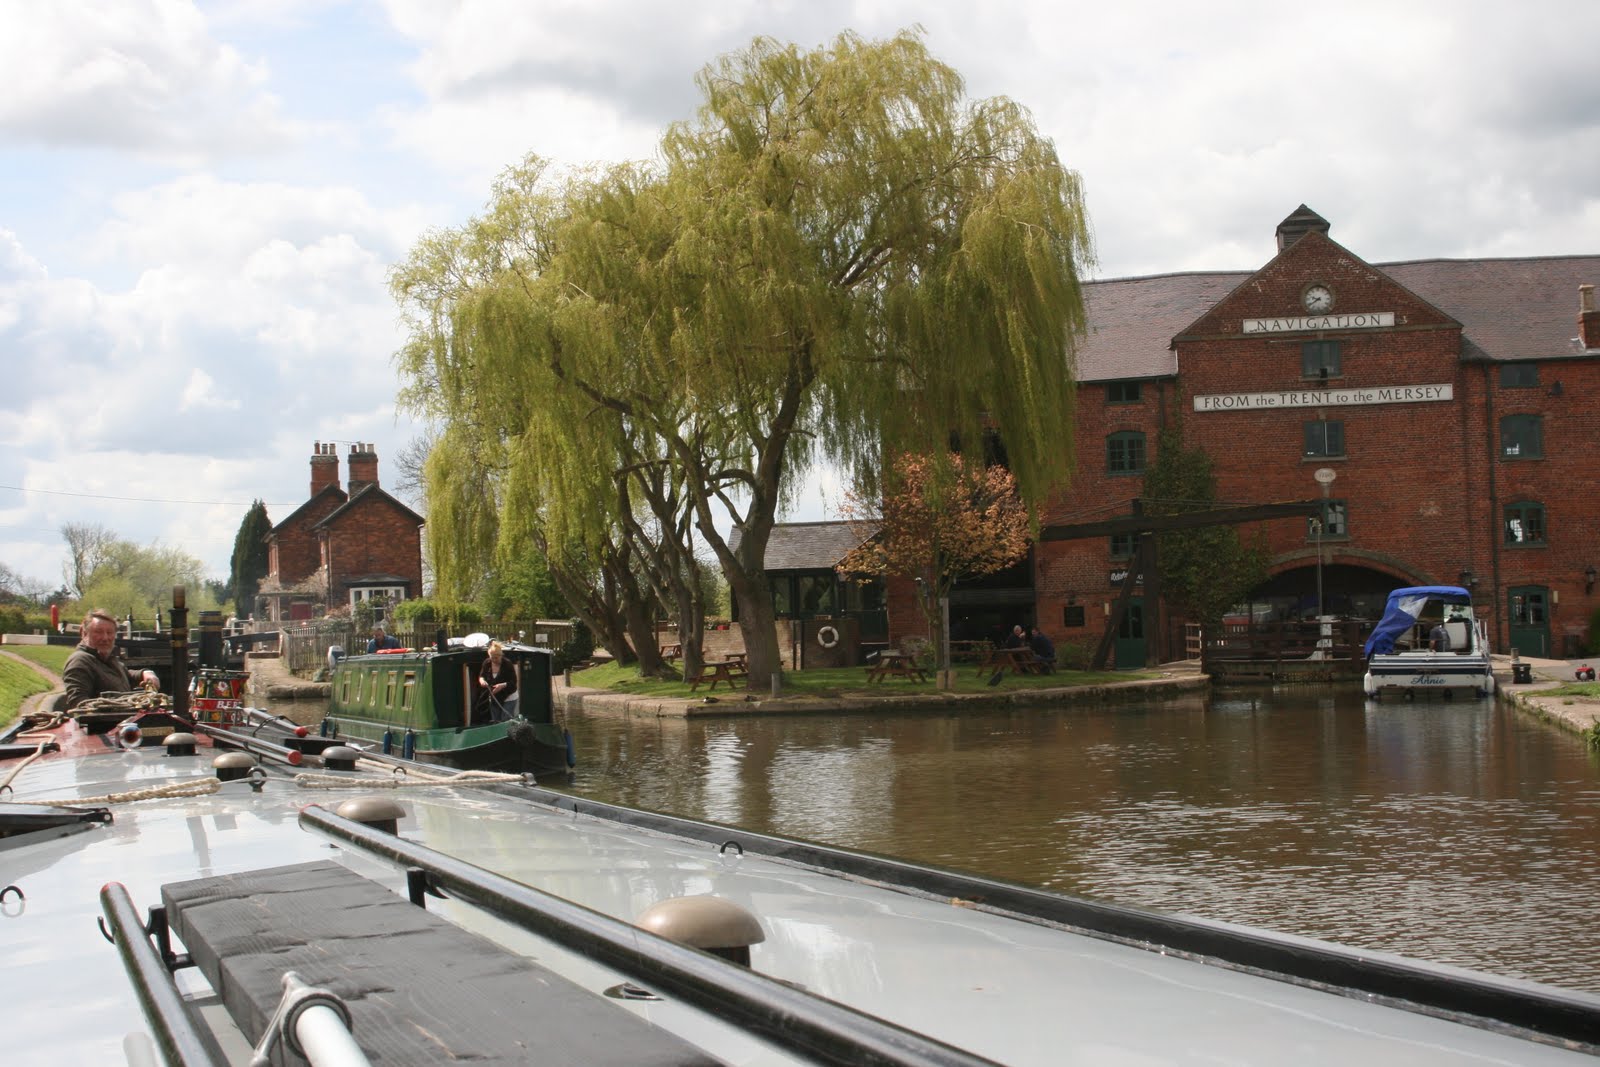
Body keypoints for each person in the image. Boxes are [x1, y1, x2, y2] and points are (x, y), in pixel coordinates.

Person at [63, 609, 158, 710]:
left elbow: (125, 675)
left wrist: (145, 673)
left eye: (109, 632)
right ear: (84, 633)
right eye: (98, 632)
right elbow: (78, 704)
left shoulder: (106, 658)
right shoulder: (80, 662)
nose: (105, 638)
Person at [476, 641, 517, 721]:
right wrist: (482, 681)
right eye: (492, 658)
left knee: (505, 719)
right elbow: (481, 676)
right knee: (495, 720)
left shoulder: (507, 664)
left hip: (509, 696)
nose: (494, 660)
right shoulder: (487, 663)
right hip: (495, 696)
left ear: (501, 656)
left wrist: (502, 686)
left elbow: (513, 683)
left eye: (496, 658)